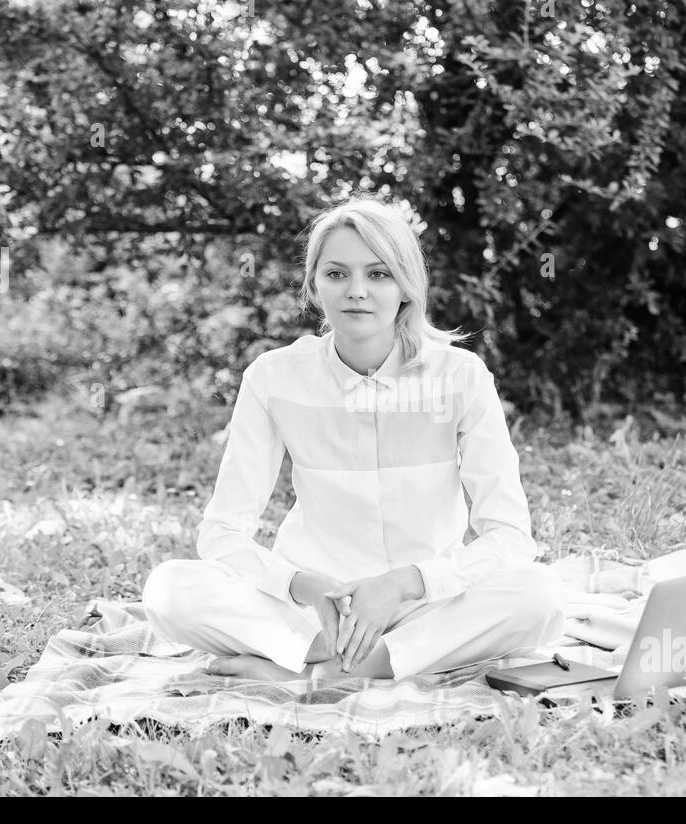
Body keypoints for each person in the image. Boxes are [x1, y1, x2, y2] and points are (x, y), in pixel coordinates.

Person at [141, 196, 567, 682]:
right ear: (314, 284)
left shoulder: (461, 376)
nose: (357, 291)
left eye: (379, 274)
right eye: (337, 274)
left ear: (406, 286)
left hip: (424, 605)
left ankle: (312, 669)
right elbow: (221, 532)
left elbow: (510, 535)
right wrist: (304, 586)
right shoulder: (274, 377)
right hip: (312, 612)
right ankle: (341, 655)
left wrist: (406, 583)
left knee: (540, 596)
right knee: (169, 588)